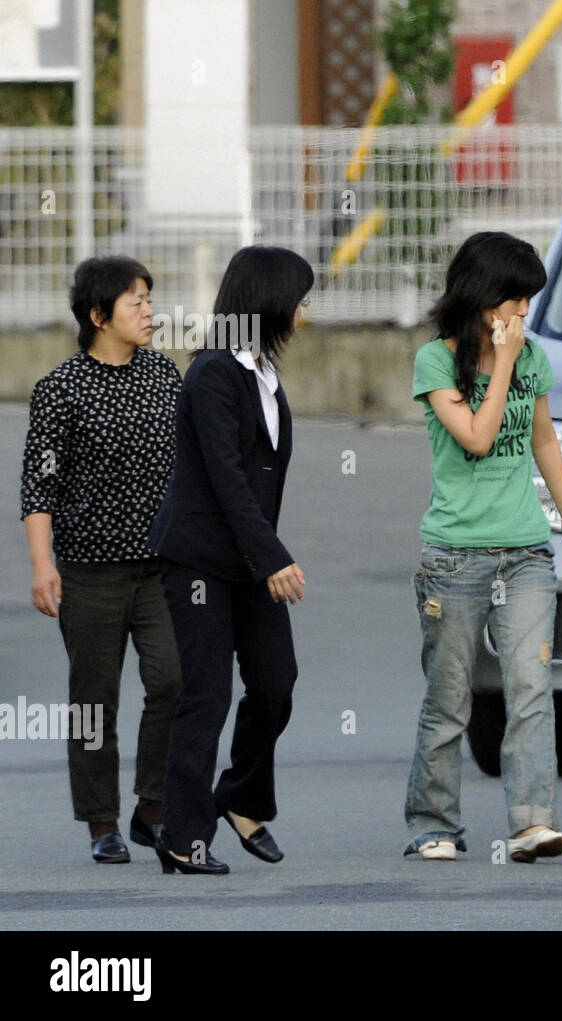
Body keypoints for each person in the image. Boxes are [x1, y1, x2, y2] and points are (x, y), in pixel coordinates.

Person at [404, 231, 562, 864]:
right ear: (484, 297)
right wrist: (504, 363)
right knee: (450, 695)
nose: (523, 314)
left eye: (527, 302)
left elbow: (542, 439)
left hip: (525, 551)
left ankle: (531, 823)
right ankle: (434, 823)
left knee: (531, 685)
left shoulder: (532, 356)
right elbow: (479, 438)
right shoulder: (436, 361)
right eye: (515, 300)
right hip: (455, 554)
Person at [146, 246, 313, 875]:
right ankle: (182, 835)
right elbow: (226, 478)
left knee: (276, 682)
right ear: (268, 300)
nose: (306, 308)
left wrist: (262, 554)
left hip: (248, 558)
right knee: (206, 695)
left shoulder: (262, 371)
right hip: (200, 561)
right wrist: (272, 556)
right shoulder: (214, 372)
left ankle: (241, 797)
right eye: (300, 296)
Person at [20, 256, 182, 864]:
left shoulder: (165, 377)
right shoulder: (61, 389)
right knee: (96, 699)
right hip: (90, 572)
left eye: (149, 298)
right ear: (97, 316)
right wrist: (43, 565)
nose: (148, 311)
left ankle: (152, 806)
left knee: (173, 681)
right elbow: (38, 486)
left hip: (161, 568)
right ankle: (101, 823)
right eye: (134, 302)